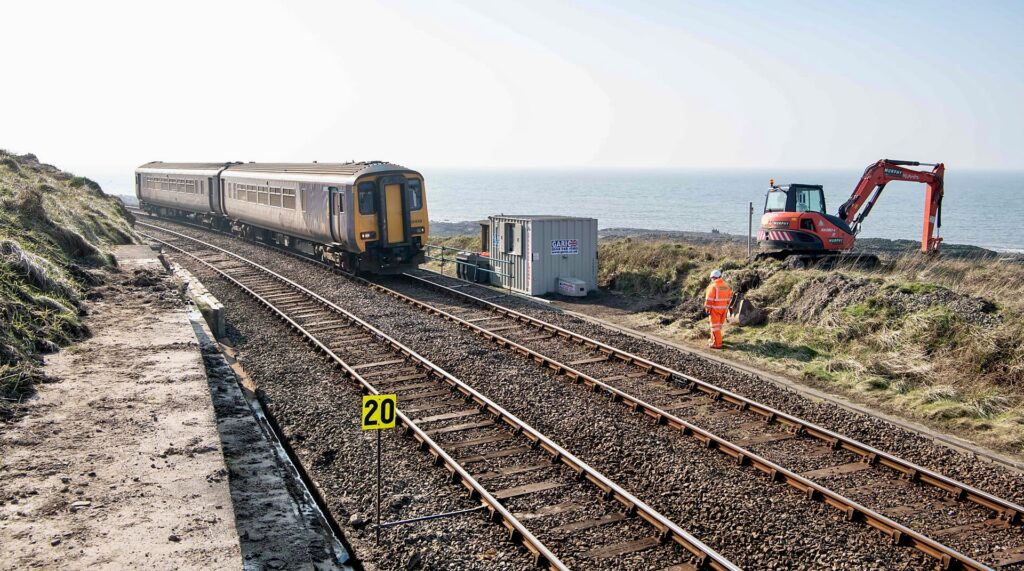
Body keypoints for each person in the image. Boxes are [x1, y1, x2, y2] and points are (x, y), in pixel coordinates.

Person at [704, 269, 732, 349]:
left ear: (712, 278)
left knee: (714, 327)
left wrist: (707, 308)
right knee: (718, 327)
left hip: (715, 310)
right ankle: (713, 340)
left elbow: (709, 299)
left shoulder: (713, 286)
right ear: (720, 277)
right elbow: (729, 299)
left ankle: (717, 344)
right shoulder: (726, 286)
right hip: (724, 310)